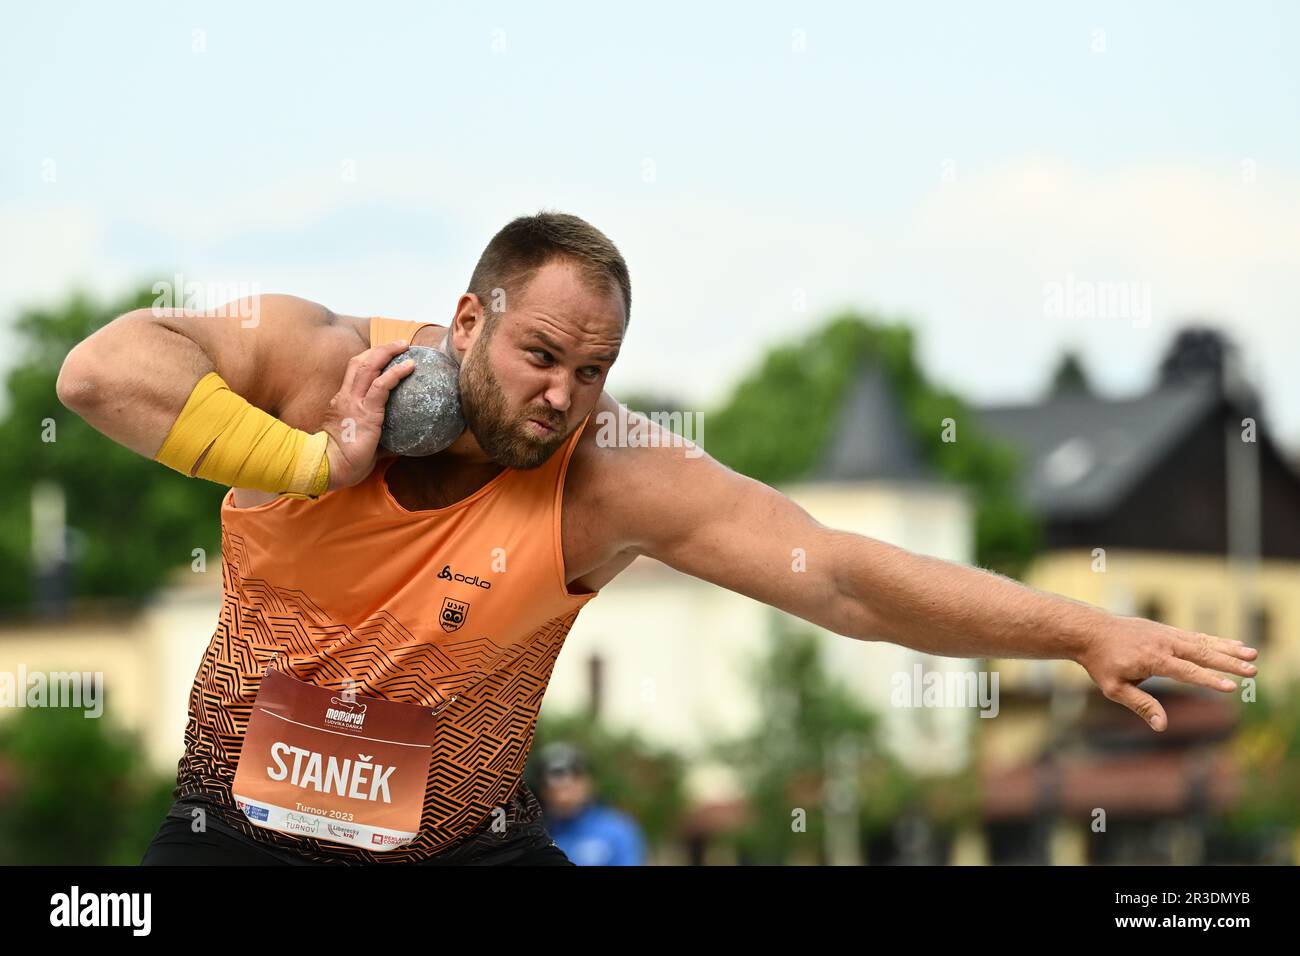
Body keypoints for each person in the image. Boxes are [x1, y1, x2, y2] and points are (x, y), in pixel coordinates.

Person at [56, 212, 1258, 865]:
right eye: (540, 357)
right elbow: (99, 373)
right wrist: (318, 462)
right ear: (469, 319)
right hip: (245, 828)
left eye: (595, 371)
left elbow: (835, 572)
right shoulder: (320, 364)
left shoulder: (614, 475)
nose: (563, 397)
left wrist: (1080, 629)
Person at [535, 743, 645, 866]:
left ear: (589, 782)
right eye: (553, 784)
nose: (563, 793)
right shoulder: (533, 835)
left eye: (575, 777)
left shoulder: (617, 830)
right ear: (542, 790)